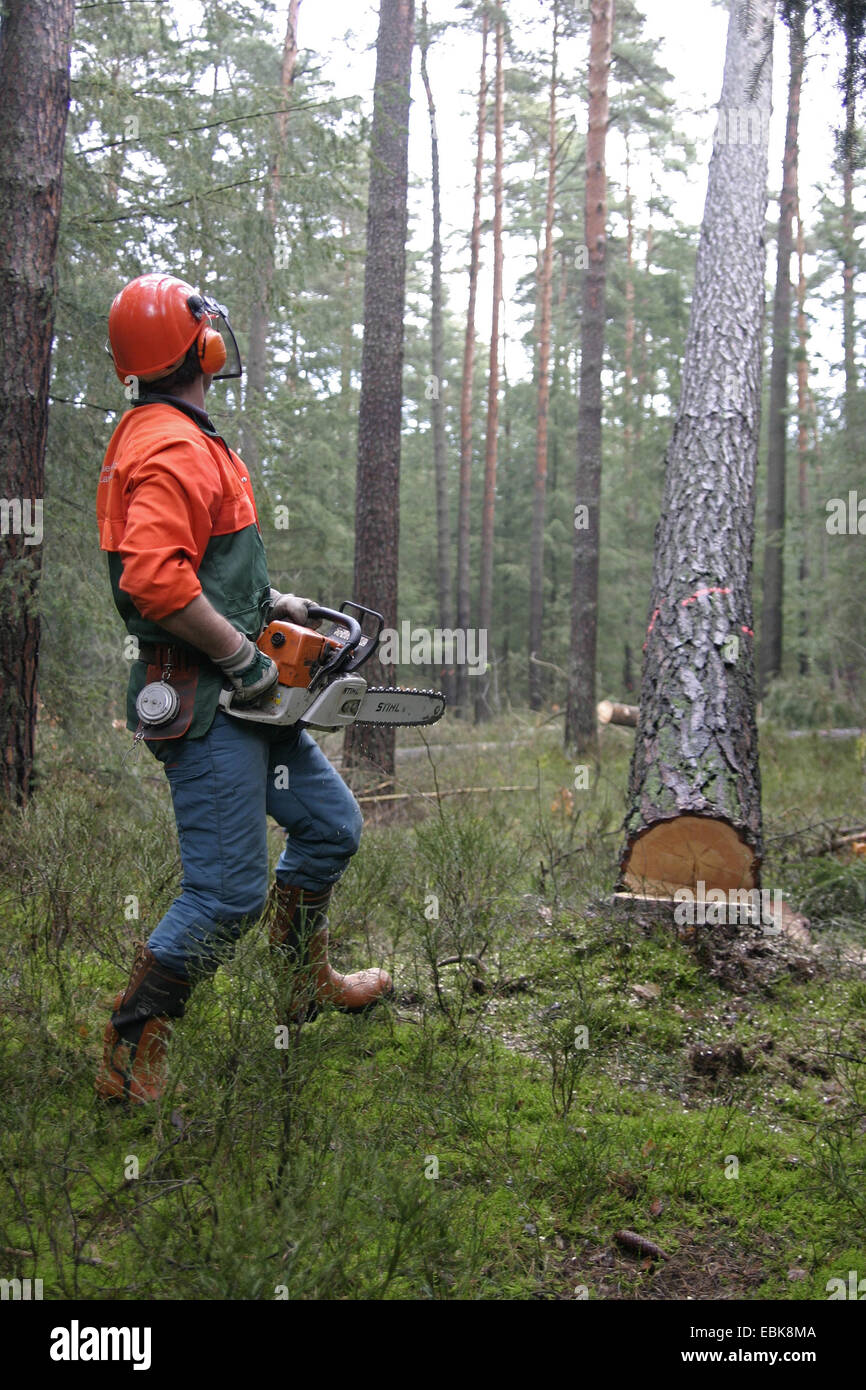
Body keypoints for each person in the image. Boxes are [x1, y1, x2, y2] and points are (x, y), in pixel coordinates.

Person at [94, 272, 392, 1106]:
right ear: (196, 346)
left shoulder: (173, 432)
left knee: (329, 826)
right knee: (227, 892)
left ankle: (302, 981)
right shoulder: (173, 443)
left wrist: (278, 608)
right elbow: (155, 579)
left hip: (238, 697)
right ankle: (129, 1046)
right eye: (205, 329)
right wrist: (246, 659)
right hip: (207, 700)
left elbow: (201, 566)